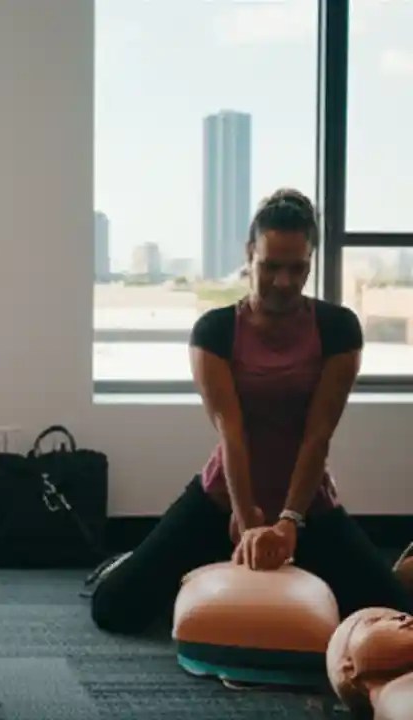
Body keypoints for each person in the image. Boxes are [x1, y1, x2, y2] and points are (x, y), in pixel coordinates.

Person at [90, 188, 412, 634]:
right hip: (223, 498)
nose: (283, 281)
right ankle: (173, 564)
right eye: (270, 267)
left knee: (399, 616)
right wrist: (246, 523)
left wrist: (288, 522)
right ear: (249, 255)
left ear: (311, 261)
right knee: (113, 609)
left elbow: (318, 434)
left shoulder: (337, 329)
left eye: (297, 268)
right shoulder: (217, 330)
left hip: (306, 507)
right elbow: (232, 432)